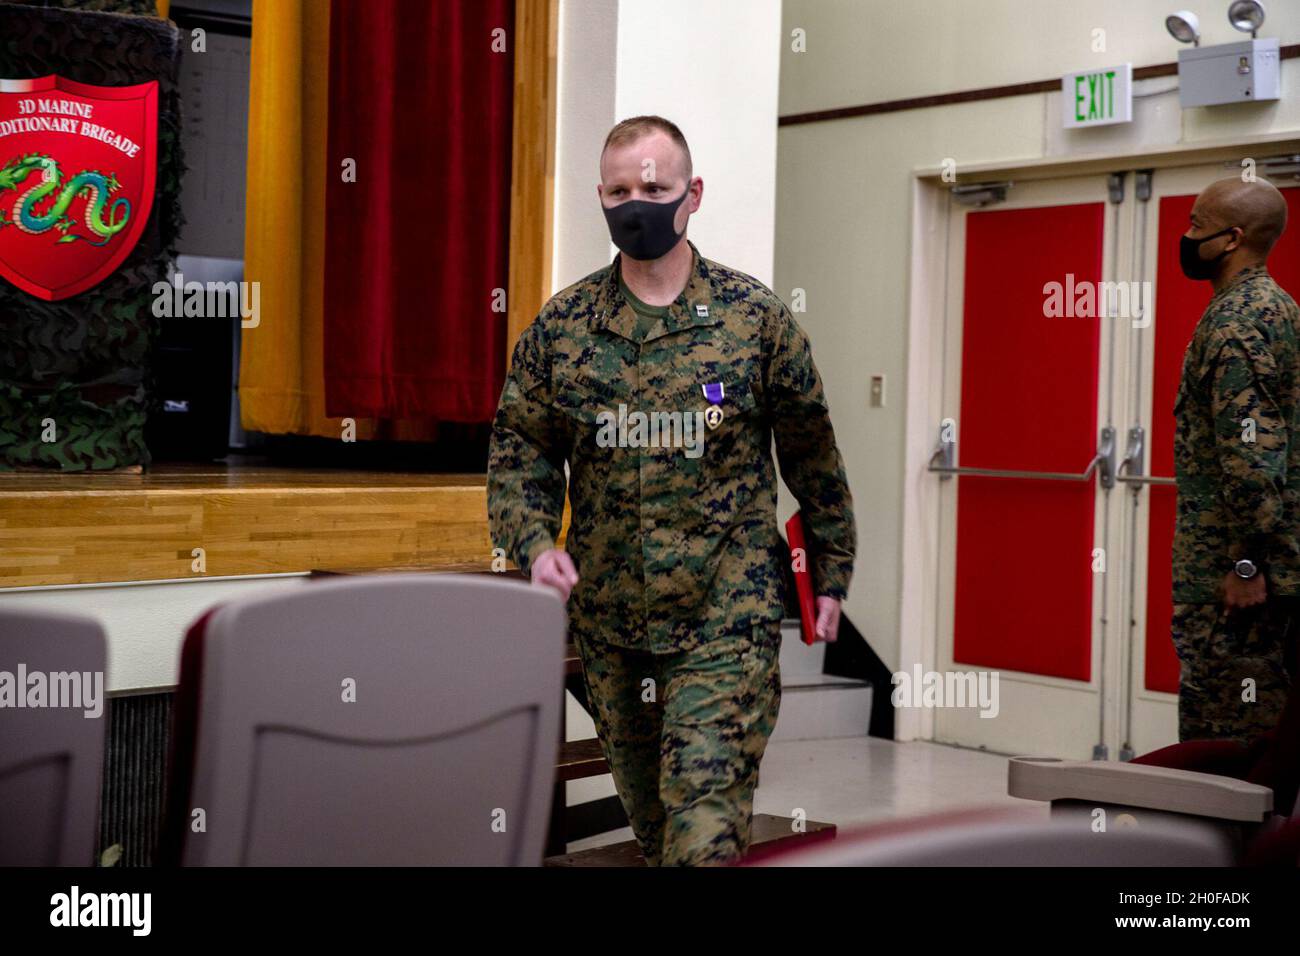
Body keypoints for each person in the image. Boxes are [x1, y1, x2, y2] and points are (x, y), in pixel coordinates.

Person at [487, 115, 856, 865]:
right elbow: (521, 445)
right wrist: (532, 545)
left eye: (654, 188)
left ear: (692, 195)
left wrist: (830, 571)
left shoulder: (754, 321)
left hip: (728, 618)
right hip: (613, 628)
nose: (637, 204)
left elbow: (812, 453)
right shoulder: (564, 328)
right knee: (660, 834)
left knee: (702, 829)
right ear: (599, 197)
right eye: (620, 190)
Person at [1172, 176, 1299, 743]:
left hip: (1235, 577)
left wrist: (1246, 565)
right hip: (1266, 567)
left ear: (1232, 238)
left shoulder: (1236, 324)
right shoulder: (1278, 308)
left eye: (1197, 225)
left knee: (1228, 738)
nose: (1187, 235)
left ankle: (1225, 836)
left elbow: (1252, 454)